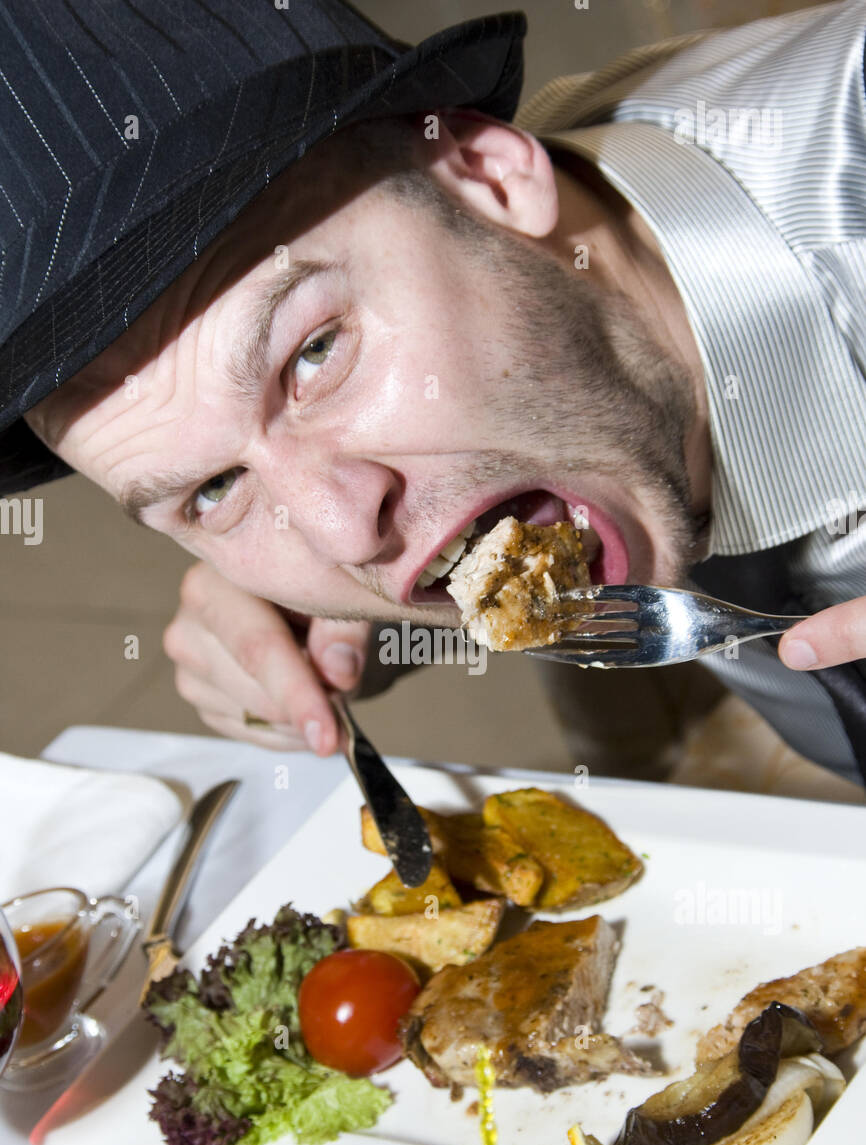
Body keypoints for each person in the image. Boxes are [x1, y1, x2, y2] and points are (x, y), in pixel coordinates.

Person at [4, 1, 866, 783]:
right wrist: (349, 626)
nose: (343, 532)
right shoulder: (536, 390)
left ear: (490, 178)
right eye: (213, 487)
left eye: (313, 353)